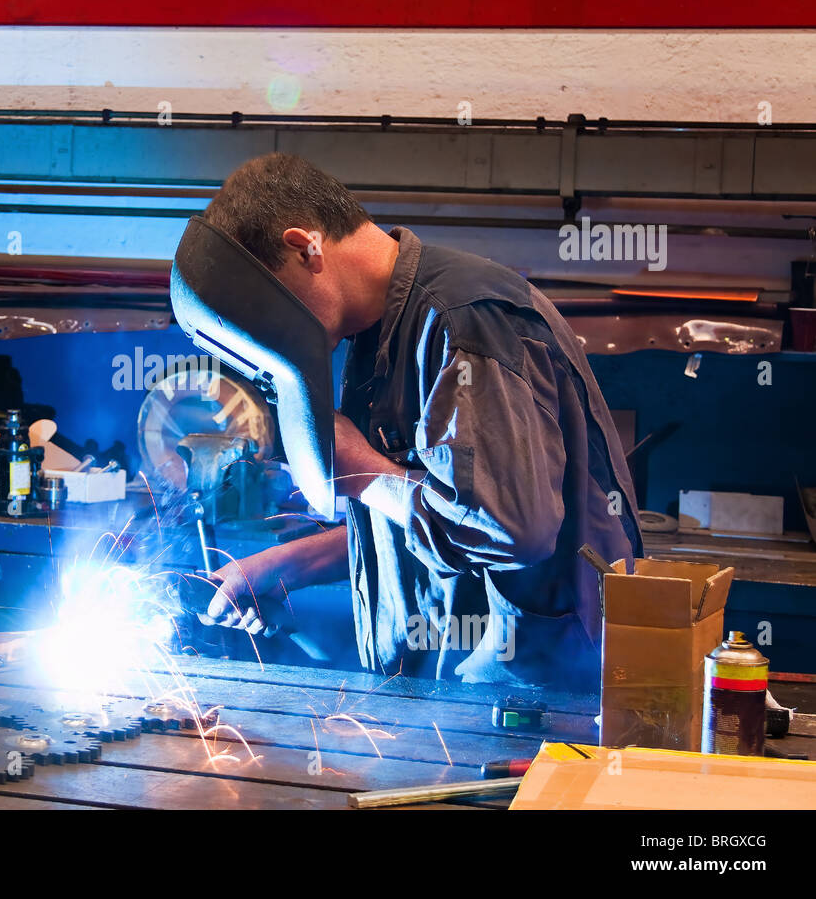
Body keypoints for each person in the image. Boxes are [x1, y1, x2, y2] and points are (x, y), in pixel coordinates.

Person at [176, 153, 641, 690]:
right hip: (437, 689)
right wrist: (285, 567)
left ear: (306, 247)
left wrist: (359, 470)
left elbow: (507, 531)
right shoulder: (371, 331)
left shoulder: (465, 323)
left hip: (535, 700)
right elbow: (422, 512)